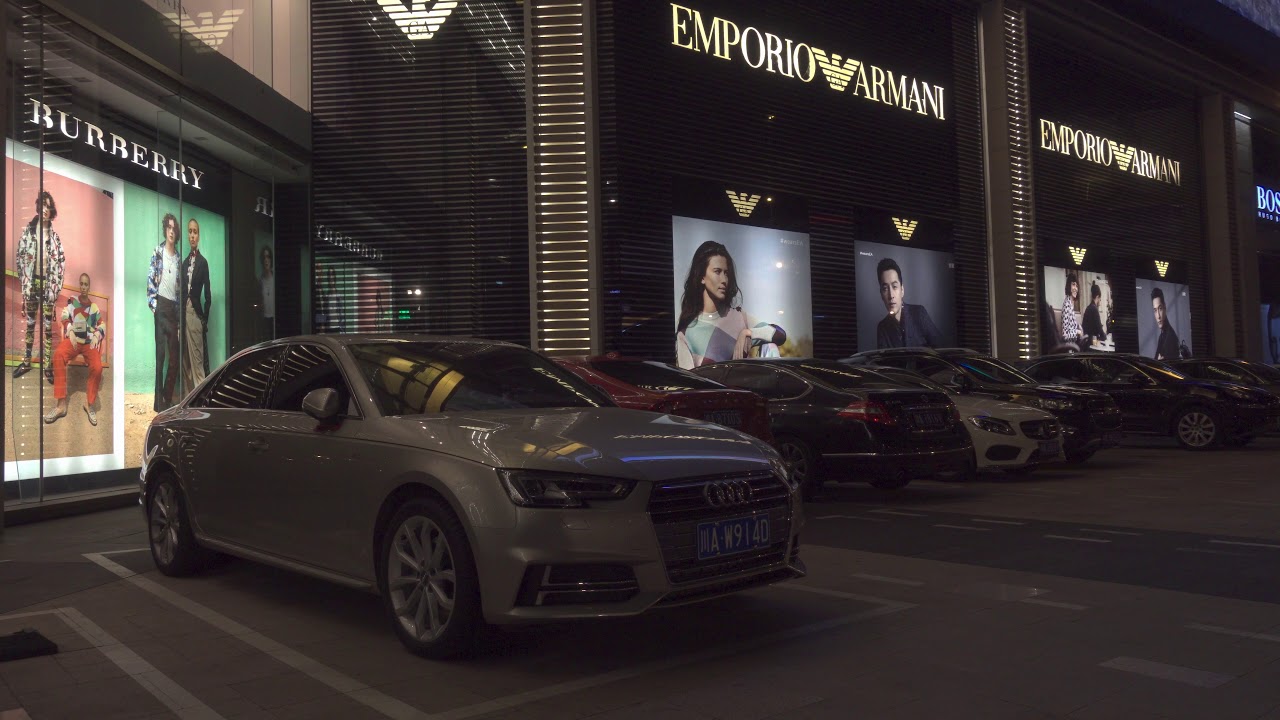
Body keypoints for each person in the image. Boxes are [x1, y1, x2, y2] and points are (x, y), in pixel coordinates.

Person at [675, 240, 786, 369]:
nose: (724, 280)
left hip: (746, 387)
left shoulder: (739, 317)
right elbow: (688, 384)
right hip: (711, 389)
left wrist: (747, 333)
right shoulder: (686, 333)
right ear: (702, 277)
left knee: (770, 346)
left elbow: (780, 335)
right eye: (717, 272)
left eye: (726, 273)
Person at [14, 191, 66, 382]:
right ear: (38, 207)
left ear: (51, 210)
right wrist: (24, 285)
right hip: (32, 284)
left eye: (48, 206)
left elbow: (61, 264)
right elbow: (20, 258)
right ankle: (26, 361)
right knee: (29, 325)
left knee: (47, 328)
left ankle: (47, 366)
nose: (45, 209)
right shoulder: (28, 232)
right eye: (42, 205)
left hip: (48, 286)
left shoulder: (55, 238)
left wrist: (55, 288)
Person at [45, 273, 105, 426]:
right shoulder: (73, 301)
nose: (84, 287)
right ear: (79, 285)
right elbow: (65, 315)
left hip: (88, 343)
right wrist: (70, 330)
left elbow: (102, 324)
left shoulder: (94, 308)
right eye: (82, 284)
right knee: (58, 355)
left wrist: (97, 335)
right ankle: (61, 405)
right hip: (73, 340)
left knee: (97, 367)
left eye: (86, 284)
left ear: (89, 287)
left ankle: (89, 404)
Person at [147, 213, 183, 411]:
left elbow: (179, 290)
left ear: (176, 233)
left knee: (174, 359)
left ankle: (167, 399)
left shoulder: (178, 258)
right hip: (160, 307)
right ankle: (158, 405)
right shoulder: (157, 252)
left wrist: (177, 318)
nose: (171, 231)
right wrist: (154, 308)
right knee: (160, 358)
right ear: (165, 230)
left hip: (173, 311)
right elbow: (150, 280)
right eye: (168, 227)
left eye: (174, 228)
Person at [874, 258, 943, 349]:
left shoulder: (919, 314)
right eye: (885, 289)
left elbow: (942, 348)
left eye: (895, 287)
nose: (891, 295)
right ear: (881, 294)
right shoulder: (882, 328)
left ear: (902, 290)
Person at [181, 217, 211, 394]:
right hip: (184, 316)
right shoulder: (184, 263)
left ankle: (201, 406)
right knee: (186, 365)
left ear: (198, 236)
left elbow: (208, 295)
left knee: (198, 365)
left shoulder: (203, 262)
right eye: (190, 231)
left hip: (195, 316)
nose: (192, 235)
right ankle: (189, 406)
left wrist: (203, 319)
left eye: (195, 232)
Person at [1151, 287, 1181, 361]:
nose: (1158, 316)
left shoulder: (1170, 337)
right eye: (1155, 310)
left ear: (1165, 307)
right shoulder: (1163, 335)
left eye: (1160, 308)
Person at [1060, 272, 1083, 348]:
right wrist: (1077, 332)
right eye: (1073, 284)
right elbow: (1065, 335)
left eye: (1077, 286)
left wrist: (1078, 326)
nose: (1075, 288)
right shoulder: (1067, 304)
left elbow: (1071, 326)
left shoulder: (1070, 303)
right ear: (1068, 285)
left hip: (1074, 344)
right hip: (1070, 348)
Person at [1081, 281, 1105, 349]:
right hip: (1090, 342)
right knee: (1104, 347)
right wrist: (1105, 337)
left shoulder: (1089, 307)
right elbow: (1100, 329)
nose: (1100, 303)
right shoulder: (1094, 309)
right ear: (1097, 297)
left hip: (1087, 341)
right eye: (1100, 299)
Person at [259, 245, 275, 340]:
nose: (266, 260)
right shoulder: (260, 281)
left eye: (268, 256)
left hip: (275, 321)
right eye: (264, 257)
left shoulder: (275, 279)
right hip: (264, 321)